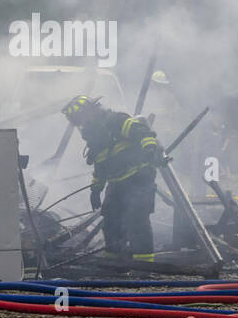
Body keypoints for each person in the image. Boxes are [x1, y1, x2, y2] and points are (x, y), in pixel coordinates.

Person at [62, 94, 163, 261]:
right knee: (111, 221)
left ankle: (144, 265)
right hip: (116, 182)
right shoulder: (94, 136)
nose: (82, 124)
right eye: (78, 121)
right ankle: (115, 262)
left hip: (138, 177)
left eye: (82, 118)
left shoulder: (115, 120)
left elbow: (142, 132)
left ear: (91, 112)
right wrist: (96, 188)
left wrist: (149, 149)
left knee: (136, 219)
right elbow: (100, 165)